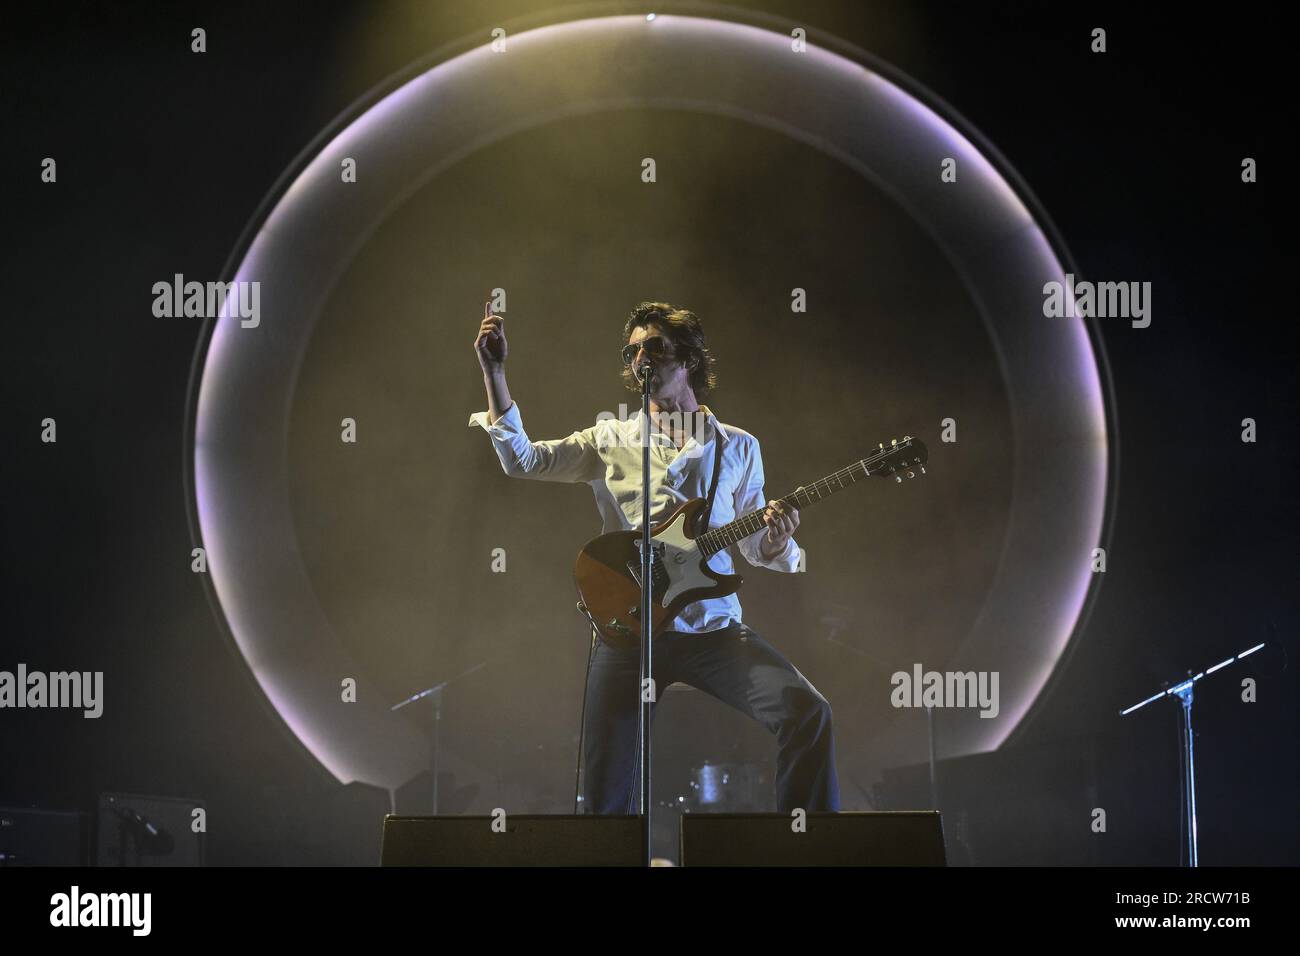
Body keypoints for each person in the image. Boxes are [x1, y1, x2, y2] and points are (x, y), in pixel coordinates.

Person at [470, 300, 839, 814]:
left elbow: (757, 546)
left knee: (807, 712)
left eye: (655, 347)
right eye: (633, 349)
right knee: (605, 792)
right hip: (629, 630)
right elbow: (523, 459)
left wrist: (777, 542)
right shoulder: (610, 438)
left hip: (711, 628)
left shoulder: (737, 446)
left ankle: (810, 847)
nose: (641, 357)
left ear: (687, 358)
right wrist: (495, 372)